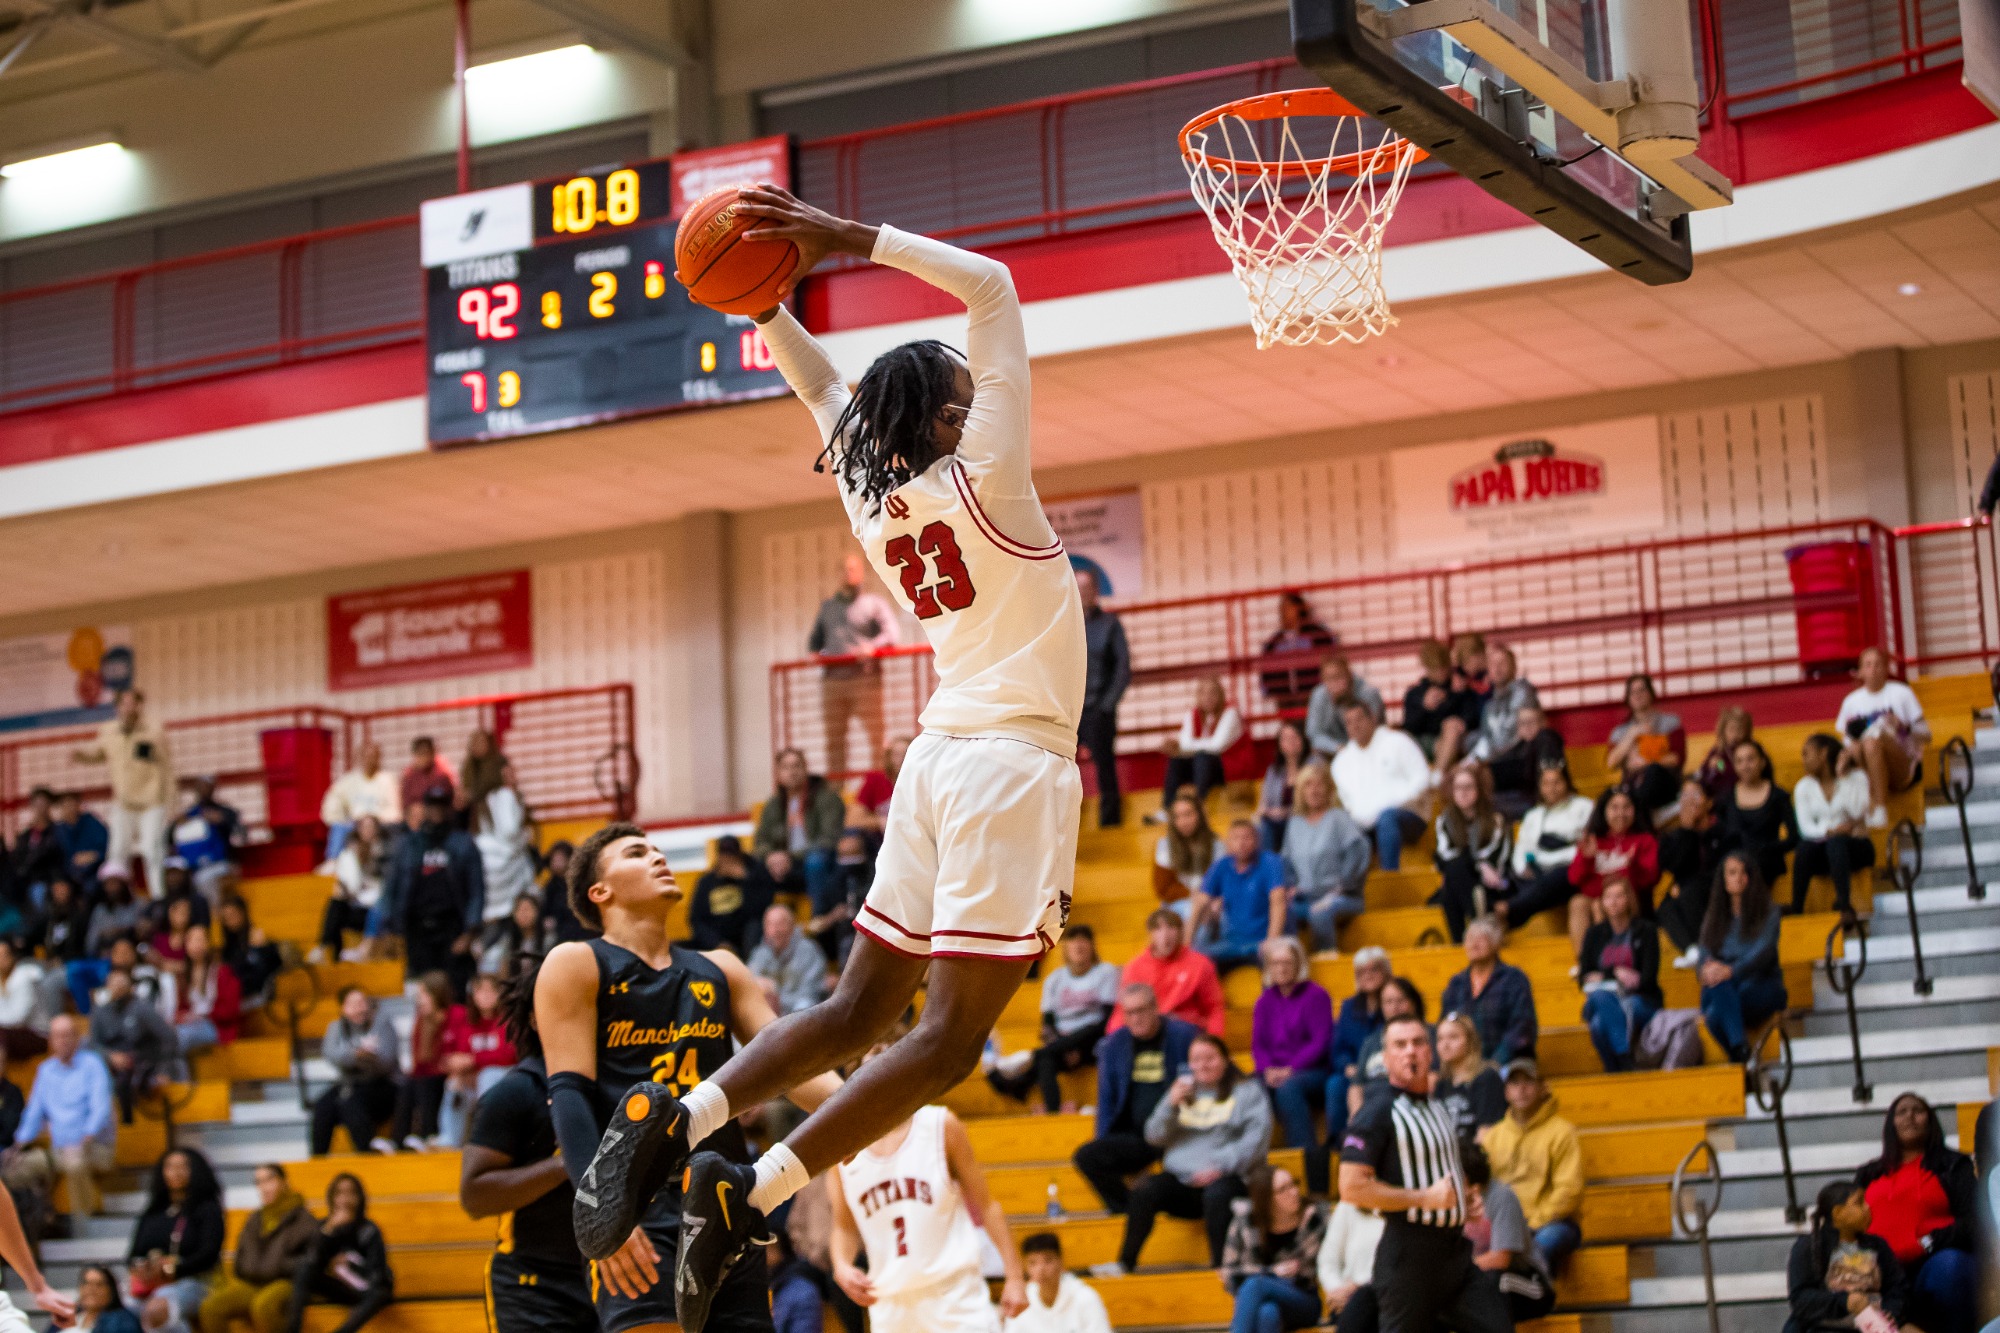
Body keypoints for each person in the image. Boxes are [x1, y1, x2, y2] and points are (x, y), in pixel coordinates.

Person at [622, 198, 1102, 1324]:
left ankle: (681, 1121)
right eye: (968, 394)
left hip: (934, 758)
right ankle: (753, 1189)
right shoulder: (990, 475)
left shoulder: (870, 497)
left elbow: (820, 392)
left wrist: (767, 305)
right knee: (943, 1041)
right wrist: (841, 238)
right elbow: (989, 283)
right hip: (1009, 761)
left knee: (849, 1011)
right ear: (947, 414)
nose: (984, 397)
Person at [534, 822, 845, 1329]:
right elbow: (568, 1098)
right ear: (600, 891)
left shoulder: (720, 967)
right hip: (640, 1204)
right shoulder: (576, 963)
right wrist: (604, 1216)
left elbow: (788, 1066)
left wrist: (865, 1107)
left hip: (726, 1202)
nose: (657, 857)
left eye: (658, 850)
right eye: (637, 853)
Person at [827, 1040, 1026, 1332]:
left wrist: (1015, 1276)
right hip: (890, 1303)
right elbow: (843, 1227)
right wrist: (841, 1266)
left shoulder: (940, 1125)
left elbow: (987, 1205)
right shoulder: (843, 1150)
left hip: (954, 1296)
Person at [1337, 1014, 1509, 1333]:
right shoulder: (1375, 1112)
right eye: (1399, 1045)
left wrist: (1461, 1204)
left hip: (1455, 1256)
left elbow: (1439, 1169)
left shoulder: (1438, 1106)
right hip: (1408, 1261)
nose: (1410, 1052)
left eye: (1417, 1043)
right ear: (1386, 1058)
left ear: (1430, 1053)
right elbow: (1351, 1187)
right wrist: (1424, 1199)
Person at [460, 964, 595, 1333]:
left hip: (608, 1275)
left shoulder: (614, 1088)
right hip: (533, 1284)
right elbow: (474, 1195)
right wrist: (571, 1161)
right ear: (537, 1018)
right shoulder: (514, 1093)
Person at [1100, 1033, 1269, 1277]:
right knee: (1144, 1189)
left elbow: (1256, 1140)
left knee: (1217, 1193)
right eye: (1196, 1059)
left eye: (1210, 1058)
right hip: (1182, 1182)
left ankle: (1220, 1268)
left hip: (1228, 1179)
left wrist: (1220, 1167)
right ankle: (1125, 1263)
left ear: (1225, 1060)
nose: (1203, 1065)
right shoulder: (1180, 1091)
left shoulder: (1248, 1091)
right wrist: (1169, 1104)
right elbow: (1153, 1136)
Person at [1858, 1093, 1980, 1333]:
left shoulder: (1953, 1166)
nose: (1910, 1117)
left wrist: (1927, 1242)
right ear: (1891, 1123)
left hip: (1928, 1267)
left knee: (1952, 1268)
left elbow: (1974, 1222)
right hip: (1877, 1274)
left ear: (1930, 1120)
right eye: (1901, 1112)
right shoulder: (1868, 1173)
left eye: (1918, 1111)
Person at [1073, 983, 1198, 1214]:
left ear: (1155, 1007)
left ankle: (1147, 1207)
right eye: (1129, 1013)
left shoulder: (1185, 1036)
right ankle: (1130, 1210)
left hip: (1178, 1131)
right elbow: (1107, 1101)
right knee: (1087, 1156)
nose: (1136, 1018)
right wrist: (1103, 1141)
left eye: (1141, 1010)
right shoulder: (1114, 1045)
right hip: (1135, 1137)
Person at [989, 927, 1117, 1115]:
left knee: (1046, 1053)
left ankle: (1021, 1084)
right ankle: (1053, 1113)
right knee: (1046, 1059)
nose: (1079, 945)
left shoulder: (1106, 972)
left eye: (1084, 940)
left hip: (1094, 1042)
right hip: (1062, 1044)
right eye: (1073, 940)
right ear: (1065, 948)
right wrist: (1064, 1046)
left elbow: (1106, 1021)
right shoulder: (1054, 979)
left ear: (1092, 946)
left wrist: (1071, 1046)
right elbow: (1047, 1023)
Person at [4, 1012, 114, 1228]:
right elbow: (34, 1113)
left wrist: (84, 1140)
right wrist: (17, 1146)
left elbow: (100, 1109)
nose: (63, 1040)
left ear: (77, 1038)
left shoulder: (93, 1064)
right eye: (58, 1036)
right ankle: (39, 1224)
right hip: (59, 1150)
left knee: (74, 1163)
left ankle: (87, 1228)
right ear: (51, 1041)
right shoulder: (46, 1070)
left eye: (68, 1035)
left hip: (95, 1147)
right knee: (12, 1171)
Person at [1480, 1060, 1583, 1273]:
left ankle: (1537, 1298)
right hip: (1506, 1224)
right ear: (1506, 1092)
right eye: (1515, 1083)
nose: (1522, 1089)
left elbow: (1570, 1191)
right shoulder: (1493, 1137)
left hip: (1552, 1223)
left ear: (1542, 1088)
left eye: (1529, 1081)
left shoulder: (1563, 1132)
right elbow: (1483, 1187)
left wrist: (1534, 1221)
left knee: (1539, 1247)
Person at [382, 785, 485, 992]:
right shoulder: (408, 844)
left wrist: (470, 932)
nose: (437, 811)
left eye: (442, 806)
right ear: (425, 809)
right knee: (423, 993)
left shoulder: (464, 843)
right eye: (432, 806)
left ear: (448, 809)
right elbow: (391, 887)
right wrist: (390, 928)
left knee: (455, 990)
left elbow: (477, 890)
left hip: (452, 928)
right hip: (417, 929)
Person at [809, 552, 902, 778]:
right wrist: (822, 655)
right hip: (833, 682)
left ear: (862, 573)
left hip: (865, 680)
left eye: (853, 569)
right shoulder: (827, 607)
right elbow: (814, 643)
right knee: (834, 740)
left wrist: (872, 647)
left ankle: (879, 784)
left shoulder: (874, 604)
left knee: (876, 737)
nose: (848, 573)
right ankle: (837, 789)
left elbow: (892, 634)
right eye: (845, 569)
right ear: (838, 573)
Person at [73, 689, 174, 896]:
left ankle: (159, 898)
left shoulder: (154, 731)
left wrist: (172, 804)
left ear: (139, 705)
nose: (128, 708)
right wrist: (80, 755)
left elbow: (167, 769)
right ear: (117, 707)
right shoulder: (107, 731)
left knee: (152, 851)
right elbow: (98, 753)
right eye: (124, 703)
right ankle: (121, 899)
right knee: (117, 852)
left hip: (152, 804)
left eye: (132, 703)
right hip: (123, 804)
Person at [199, 1163, 318, 1333]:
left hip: (286, 1282)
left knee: (263, 1306)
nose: (264, 1187)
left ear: (284, 1182)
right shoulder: (254, 1219)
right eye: (259, 1182)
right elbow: (240, 1259)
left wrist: (277, 1266)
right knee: (211, 1308)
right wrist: (256, 1268)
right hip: (253, 1282)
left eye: (269, 1179)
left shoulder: (303, 1218)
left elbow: (310, 1260)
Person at [1695, 850, 1787, 1062]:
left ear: (1751, 878)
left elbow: (1763, 954)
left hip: (1760, 985)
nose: (1738, 877)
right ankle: (1741, 1049)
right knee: (1716, 994)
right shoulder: (1714, 916)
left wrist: (1731, 971)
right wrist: (1706, 970)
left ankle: (1739, 1058)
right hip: (1724, 990)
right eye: (1732, 872)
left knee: (1715, 1016)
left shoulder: (1769, 913)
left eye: (1744, 872)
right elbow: (1704, 955)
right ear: (1723, 879)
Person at [1784, 1178, 1909, 1333]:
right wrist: (1845, 1302)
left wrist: (1891, 1312)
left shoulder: (1877, 1246)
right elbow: (1801, 1298)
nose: (1867, 1207)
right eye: (1859, 1203)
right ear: (1837, 1213)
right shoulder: (1809, 1246)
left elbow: (1897, 1287)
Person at [1220, 1163, 1326, 1333]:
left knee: (1256, 1285)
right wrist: (1271, 1272)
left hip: (1304, 1301)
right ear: (1266, 1199)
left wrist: (1265, 1278)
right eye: (1283, 1189)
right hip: (1262, 1303)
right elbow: (1228, 1275)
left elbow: (1307, 1276)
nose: (1294, 1192)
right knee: (1267, 1313)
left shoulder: (1314, 1219)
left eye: (1293, 1184)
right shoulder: (1245, 1221)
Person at [279, 1174, 393, 1333]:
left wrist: (351, 1264)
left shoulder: (369, 1229)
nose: (345, 1199)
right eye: (339, 1193)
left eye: (351, 1193)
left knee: (382, 1292)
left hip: (366, 1291)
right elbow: (312, 1262)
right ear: (332, 1198)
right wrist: (329, 1230)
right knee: (303, 1268)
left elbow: (378, 1275)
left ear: (359, 1198)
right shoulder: (325, 1227)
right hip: (340, 1288)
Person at [1252, 937, 1333, 1159]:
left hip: (1312, 1071)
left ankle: (1306, 1157)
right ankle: (1255, 1159)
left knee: (1288, 1088)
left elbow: (1321, 1041)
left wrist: (1291, 1069)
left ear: (1298, 965)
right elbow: (1258, 1045)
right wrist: (1267, 1069)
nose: (1281, 968)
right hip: (1275, 1071)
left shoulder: (1316, 995)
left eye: (1287, 962)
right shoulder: (1264, 1000)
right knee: (1248, 1089)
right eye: (1276, 963)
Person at [1328, 701, 1432, 871]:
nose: (1354, 726)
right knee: (1339, 827)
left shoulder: (1399, 741)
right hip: (1366, 825)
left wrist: (1391, 805)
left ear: (1372, 719)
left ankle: (1389, 879)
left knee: (1387, 817)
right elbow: (1348, 803)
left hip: (1409, 816)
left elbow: (1422, 779)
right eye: (1349, 722)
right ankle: (1347, 890)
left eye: (1359, 719)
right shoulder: (1340, 762)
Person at [1460, 1143, 1556, 1325]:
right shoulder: (1449, 1202)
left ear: (1465, 1177)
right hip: (1481, 1280)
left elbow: (1500, 1259)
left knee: (1494, 1281)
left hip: (1532, 1285)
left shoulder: (1502, 1197)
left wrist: (1456, 1269)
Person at [1837, 646, 1932, 829]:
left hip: (1902, 766)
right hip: (1867, 764)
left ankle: (1879, 808)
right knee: (1859, 746)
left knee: (1872, 743)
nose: (1873, 669)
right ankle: (1868, 806)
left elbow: (1926, 736)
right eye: (1868, 664)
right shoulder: (1851, 702)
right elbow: (1846, 741)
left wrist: (1903, 727)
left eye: (1878, 664)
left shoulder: (1902, 693)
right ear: (1861, 671)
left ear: (1886, 669)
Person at [129, 1148, 226, 1322]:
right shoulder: (153, 1211)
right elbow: (132, 1254)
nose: (176, 1172)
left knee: (158, 1307)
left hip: (196, 1281)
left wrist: (171, 1269)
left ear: (196, 1170)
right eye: (170, 1167)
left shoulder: (207, 1209)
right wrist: (142, 1267)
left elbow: (209, 1255)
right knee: (121, 1309)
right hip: (150, 1282)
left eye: (183, 1167)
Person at [1577, 875, 1662, 1073]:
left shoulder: (1646, 931)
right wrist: (1615, 973)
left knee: (1599, 1023)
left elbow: (1648, 980)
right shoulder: (1594, 934)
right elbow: (1584, 978)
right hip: (1605, 999)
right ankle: (1624, 1056)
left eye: (1619, 896)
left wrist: (1602, 976)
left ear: (1629, 899)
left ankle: (1615, 1069)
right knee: (1600, 997)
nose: (1613, 902)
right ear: (1602, 902)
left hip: (1640, 999)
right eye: (1608, 897)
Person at [1280, 764, 1369, 950]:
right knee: (1279, 913)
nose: (1314, 790)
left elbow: (1358, 852)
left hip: (1341, 895)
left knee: (1320, 913)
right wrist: (1290, 886)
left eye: (1319, 785)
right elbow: (1286, 862)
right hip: (1305, 896)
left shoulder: (1339, 818)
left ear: (1329, 789)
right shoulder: (1294, 824)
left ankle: (1327, 960)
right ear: (1301, 791)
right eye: (1308, 785)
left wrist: (1341, 888)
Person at [1565, 787, 1660, 958]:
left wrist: (1631, 868)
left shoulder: (1645, 840)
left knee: (1603, 903)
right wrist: (1588, 859)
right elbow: (1574, 879)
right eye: (1614, 807)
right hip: (1600, 898)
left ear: (1635, 810)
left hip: (1633, 901)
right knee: (1578, 902)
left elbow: (1649, 880)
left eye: (1626, 807)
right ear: (1604, 811)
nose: (1621, 813)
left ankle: (1611, 960)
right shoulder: (1593, 840)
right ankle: (1584, 962)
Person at [1500, 761, 1592, 933]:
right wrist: (1524, 867)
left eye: (1556, 782)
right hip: (1537, 873)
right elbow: (1522, 848)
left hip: (1569, 872)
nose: (1552, 788)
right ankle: (1508, 911)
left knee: (1559, 876)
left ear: (1566, 782)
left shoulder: (1584, 807)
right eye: (1546, 783)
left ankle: (1509, 911)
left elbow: (1582, 849)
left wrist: (1547, 858)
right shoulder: (1533, 815)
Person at [1793, 733, 1875, 923]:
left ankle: (1844, 906)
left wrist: (1841, 776)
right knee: (1805, 848)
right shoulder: (1803, 787)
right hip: (1824, 849)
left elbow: (1857, 812)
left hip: (1857, 846)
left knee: (1836, 844)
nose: (1803, 760)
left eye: (1807, 754)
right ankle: (1797, 910)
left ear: (1823, 753)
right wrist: (1831, 831)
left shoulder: (1857, 778)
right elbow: (1805, 828)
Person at [310, 988, 400, 1156]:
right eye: (354, 1004)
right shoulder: (336, 1027)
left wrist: (367, 1058)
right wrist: (355, 1056)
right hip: (351, 1084)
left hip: (382, 1084)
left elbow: (387, 1062)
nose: (360, 1008)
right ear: (343, 1008)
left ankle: (367, 1154)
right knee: (323, 1105)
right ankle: (318, 1159)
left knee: (350, 1102)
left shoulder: (382, 1024)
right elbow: (330, 1053)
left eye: (362, 1003)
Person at [752, 749, 846, 910]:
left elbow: (829, 839)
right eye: (786, 767)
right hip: (784, 865)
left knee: (815, 862)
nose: (792, 772)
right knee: (752, 869)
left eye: (796, 766)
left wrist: (790, 856)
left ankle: (821, 924)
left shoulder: (826, 798)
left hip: (818, 861)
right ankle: (765, 928)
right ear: (778, 773)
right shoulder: (773, 805)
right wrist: (771, 856)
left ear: (805, 769)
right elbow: (760, 841)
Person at [1194, 820, 1290, 975]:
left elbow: (1278, 902)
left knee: (1278, 960)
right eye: (1236, 838)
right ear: (1227, 843)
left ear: (1257, 841)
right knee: (1198, 961)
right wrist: (1185, 946)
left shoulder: (1270, 861)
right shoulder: (1221, 865)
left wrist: (1272, 941)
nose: (1241, 843)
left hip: (1262, 941)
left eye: (1247, 838)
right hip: (1230, 942)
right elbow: (1200, 904)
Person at [1112, 908, 1225, 1037]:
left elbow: (1214, 1007)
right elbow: (1122, 1010)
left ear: (1181, 932)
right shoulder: (1135, 967)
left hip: (1187, 1032)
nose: (1165, 935)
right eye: (1158, 929)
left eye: (1171, 927)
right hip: (1147, 1033)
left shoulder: (1201, 964)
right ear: (1150, 934)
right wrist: (1114, 1039)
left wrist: (1214, 1040)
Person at [1439, 919, 1537, 1067]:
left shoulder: (1514, 979)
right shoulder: (1456, 983)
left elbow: (1522, 1027)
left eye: (1481, 938)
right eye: (1470, 939)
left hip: (1508, 1063)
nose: (1474, 944)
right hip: (1463, 1064)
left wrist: (1495, 1063)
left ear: (1496, 943)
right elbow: (1445, 1024)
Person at [1076, 567, 1131, 829]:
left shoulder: (1111, 624)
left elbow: (1123, 668)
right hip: (1069, 711)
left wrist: (1106, 706)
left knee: (1105, 768)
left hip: (1100, 709)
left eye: (1086, 589)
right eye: (1077, 589)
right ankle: (1068, 825)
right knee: (1059, 768)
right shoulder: (1063, 623)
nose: (1082, 594)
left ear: (1095, 592)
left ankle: (1111, 825)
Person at [1433, 766, 1513, 943]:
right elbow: (1444, 856)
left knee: (1454, 880)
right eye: (1458, 788)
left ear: (1479, 789)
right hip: (1464, 881)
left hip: (1494, 883)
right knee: (1455, 873)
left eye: (1468, 787)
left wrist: (1480, 865)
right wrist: (1479, 864)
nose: (1463, 793)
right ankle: (1477, 927)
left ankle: (1462, 941)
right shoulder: (1444, 820)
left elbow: (1497, 856)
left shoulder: (1496, 819)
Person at [1322, 948, 1390, 1146]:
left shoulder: (1393, 1002)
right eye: (1362, 972)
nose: (1367, 975)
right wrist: (1347, 1065)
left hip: (1384, 1069)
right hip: (1353, 1072)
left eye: (1374, 969)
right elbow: (1338, 1047)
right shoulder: (1349, 1007)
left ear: (1386, 971)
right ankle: (1338, 1142)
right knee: (1335, 1083)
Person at [91, 966, 177, 1121]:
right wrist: (110, 1057)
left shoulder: (142, 1009)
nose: (118, 988)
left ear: (131, 987)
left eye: (122, 984)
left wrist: (163, 1070)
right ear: (107, 986)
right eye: (114, 983)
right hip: (110, 1067)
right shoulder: (100, 1012)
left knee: (136, 1084)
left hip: (142, 1063)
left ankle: (131, 1126)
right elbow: (92, 1044)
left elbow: (168, 1037)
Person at [1716, 739, 1799, 891]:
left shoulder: (1778, 796)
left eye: (1750, 759)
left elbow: (1793, 838)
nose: (1745, 766)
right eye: (1739, 761)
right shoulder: (1725, 799)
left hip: (1765, 863)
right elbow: (1721, 836)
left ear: (1762, 762)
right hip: (1733, 864)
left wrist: (1767, 849)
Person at [1338, 978, 1426, 1121]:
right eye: (1388, 1002)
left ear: (1413, 1002)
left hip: (1410, 1111)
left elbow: (1434, 1077)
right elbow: (1356, 1086)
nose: (1394, 1007)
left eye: (1400, 1000)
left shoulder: (1426, 1035)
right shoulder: (1371, 1041)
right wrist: (1357, 1116)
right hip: (1371, 1112)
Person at [1158, 677, 1244, 815]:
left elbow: (1217, 746)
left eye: (1212, 693)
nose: (1207, 697)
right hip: (1199, 769)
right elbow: (1185, 744)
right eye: (1203, 693)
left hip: (1227, 769)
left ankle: (1197, 807)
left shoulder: (1230, 714)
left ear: (1221, 695)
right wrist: (1183, 748)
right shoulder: (1192, 715)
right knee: (1176, 759)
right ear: (1197, 696)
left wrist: (1187, 746)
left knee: (1202, 757)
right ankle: (1168, 809)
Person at [1656, 780, 1719, 967]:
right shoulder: (1673, 836)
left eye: (1696, 796)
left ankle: (1706, 948)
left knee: (1689, 891)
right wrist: (1686, 831)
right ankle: (1691, 949)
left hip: (1714, 887)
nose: (1690, 802)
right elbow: (1673, 866)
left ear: (1709, 802)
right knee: (1665, 907)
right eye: (1684, 797)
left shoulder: (1722, 830)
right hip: (1686, 892)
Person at [1606, 673, 1685, 815]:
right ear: (1628, 698)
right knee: (1609, 796)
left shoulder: (1671, 723)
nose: (1637, 695)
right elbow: (1611, 763)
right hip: (1633, 786)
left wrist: (1645, 762)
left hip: (1665, 782)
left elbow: (1677, 759)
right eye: (1632, 692)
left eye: (1642, 690)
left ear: (1651, 693)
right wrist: (1632, 735)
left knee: (1653, 771)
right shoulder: (1620, 731)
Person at [473, 760, 538, 928]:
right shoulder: (505, 795)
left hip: (489, 865)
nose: (513, 777)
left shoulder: (485, 799)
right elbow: (510, 832)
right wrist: (526, 835)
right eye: (507, 774)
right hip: (507, 864)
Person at [1400, 640, 1479, 775]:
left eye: (1443, 668)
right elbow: (1409, 727)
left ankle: (1436, 780)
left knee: (1452, 726)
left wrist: (1457, 695)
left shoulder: (1459, 686)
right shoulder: (1415, 693)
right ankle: (1439, 779)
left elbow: (1472, 716)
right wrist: (1424, 707)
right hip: (1427, 741)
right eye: (1435, 669)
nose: (1441, 673)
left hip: (1456, 737)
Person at [688, 836, 775, 957]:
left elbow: (761, 910)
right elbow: (696, 920)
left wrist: (745, 880)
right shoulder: (706, 882)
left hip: (745, 939)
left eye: (732, 855)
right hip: (715, 942)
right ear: (718, 856)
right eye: (724, 855)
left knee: (754, 927)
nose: (728, 859)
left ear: (739, 855)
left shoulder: (755, 875)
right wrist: (717, 943)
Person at [1006, 1233, 1111, 1333]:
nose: (1040, 1269)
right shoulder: (1021, 1300)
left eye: (1048, 1261)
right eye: (1033, 1263)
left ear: (1060, 1262)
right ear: (1025, 1267)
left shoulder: (1086, 1298)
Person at [317, 815, 387, 964]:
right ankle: (331, 953)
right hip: (358, 903)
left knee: (378, 905)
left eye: (371, 827)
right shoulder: (351, 852)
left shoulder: (384, 851)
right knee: (336, 902)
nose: (368, 831)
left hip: (377, 907)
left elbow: (384, 882)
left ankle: (360, 949)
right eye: (364, 827)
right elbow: (350, 883)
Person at [318, 743, 400, 864]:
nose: (369, 760)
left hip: (380, 824)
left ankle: (395, 862)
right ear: (359, 758)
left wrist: (373, 819)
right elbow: (332, 803)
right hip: (354, 824)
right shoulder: (348, 781)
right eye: (365, 757)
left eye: (373, 756)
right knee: (339, 828)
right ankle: (332, 862)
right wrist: (340, 819)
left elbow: (394, 811)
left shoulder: (388, 780)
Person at [1431, 1012, 1505, 1143]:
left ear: (1470, 1041)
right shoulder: (1441, 1084)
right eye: (1440, 1039)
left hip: (1477, 1158)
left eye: (1453, 1037)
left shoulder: (1487, 1077)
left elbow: (1487, 1133)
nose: (1445, 1044)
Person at [1258, 592, 1335, 715]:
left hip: (1312, 694)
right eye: (1281, 609)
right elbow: (1266, 669)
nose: (1283, 613)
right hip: (1285, 698)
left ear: (1299, 608)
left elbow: (1331, 660)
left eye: (1287, 608)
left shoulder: (1318, 635)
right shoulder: (1274, 642)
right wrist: (1271, 690)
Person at [1315, 1198, 1384, 1333]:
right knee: (1268, 1311)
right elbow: (1327, 1261)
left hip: (1387, 1298)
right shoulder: (1348, 1205)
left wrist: (1359, 1286)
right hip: (1348, 1304)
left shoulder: (1408, 1204)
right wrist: (1338, 1291)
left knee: (1364, 1296)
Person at [749, 904, 831, 1016]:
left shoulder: (808, 950)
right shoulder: (759, 954)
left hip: (799, 1014)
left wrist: (776, 995)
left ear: (792, 925)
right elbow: (749, 988)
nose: (775, 930)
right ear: (764, 929)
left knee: (804, 1005)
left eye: (780, 924)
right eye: (770, 924)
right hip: (768, 1015)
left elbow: (811, 994)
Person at [172, 926, 241, 1061]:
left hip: (215, 1026)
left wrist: (204, 1015)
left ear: (208, 943)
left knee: (181, 1037)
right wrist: (183, 1016)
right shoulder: (183, 975)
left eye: (201, 940)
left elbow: (231, 1009)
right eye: (192, 940)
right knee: (166, 1036)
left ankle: (178, 1079)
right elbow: (182, 1008)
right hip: (190, 1025)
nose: (197, 944)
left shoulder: (222, 972)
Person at [1485, 707, 1565, 820]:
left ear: (1543, 723)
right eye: (1523, 723)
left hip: (1540, 801)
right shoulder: (1516, 749)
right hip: (1518, 798)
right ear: (1518, 727)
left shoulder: (1547, 740)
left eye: (1531, 721)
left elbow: (1548, 781)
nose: (1527, 727)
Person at [170, 777, 241, 903]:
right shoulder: (189, 814)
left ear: (213, 788)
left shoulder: (224, 811)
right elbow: (169, 837)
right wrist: (176, 823)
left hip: (222, 863)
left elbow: (240, 831)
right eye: (200, 787)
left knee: (219, 882)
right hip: (196, 869)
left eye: (207, 787)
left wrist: (222, 820)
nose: (204, 790)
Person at [1468, 646, 1539, 768]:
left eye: (1503, 663)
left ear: (1514, 667)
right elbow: (1486, 742)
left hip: (1519, 760)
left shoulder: (1522, 691)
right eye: (1493, 664)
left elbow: (1518, 735)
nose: (1498, 668)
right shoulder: (1489, 705)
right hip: (1496, 763)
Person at [1154, 794, 1222, 922]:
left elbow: (1222, 880)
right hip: (1179, 902)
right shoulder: (1164, 845)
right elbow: (1164, 889)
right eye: (1177, 817)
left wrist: (1209, 898)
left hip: (1210, 899)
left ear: (1199, 816)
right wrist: (1192, 894)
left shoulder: (1216, 844)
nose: (1183, 821)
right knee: (1191, 911)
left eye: (1188, 814)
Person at [1305, 656, 1385, 761]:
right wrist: (1338, 748)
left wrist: (1352, 751)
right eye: (1329, 678)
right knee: (1313, 764)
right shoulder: (1319, 695)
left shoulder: (1368, 694)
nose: (1334, 682)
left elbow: (1372, 730)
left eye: (1338, 676)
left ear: (1349, 675)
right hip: (1333, 752)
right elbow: (1314, 734)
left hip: (1368, 748)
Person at [1257, 720, 1311, 853]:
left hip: (1305, 820)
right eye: (1286, 738)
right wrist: (1264, 811)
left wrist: (1286, 812)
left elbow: (1314, 803)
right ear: (1279, 744)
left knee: (1290, 823)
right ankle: (1268, 866)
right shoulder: (1274, 771)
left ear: (1303, 740)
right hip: (1277, 823)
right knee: (1263, 825)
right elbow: (1264, 802)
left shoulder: (1314, 766)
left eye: (1295, 737)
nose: (1291, 741)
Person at [218, 896, 282, 1004]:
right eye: (226, 918)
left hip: (256, 992)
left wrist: (261, 948)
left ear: (243, 913)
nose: (230, 921)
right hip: (235, 992)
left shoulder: (256, 937)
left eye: (233, 915)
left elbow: (271, 967)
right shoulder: (229, 944)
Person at [0, 938, 53, 1061]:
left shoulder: (25, 977)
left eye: (3, 955)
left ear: (12, 956)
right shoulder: (1, 980)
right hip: (12, 1034)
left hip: (38, 1034)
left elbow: (18, 1018)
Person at [849, 736, 910, 835]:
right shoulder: (875, 780)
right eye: (896, 754)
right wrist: (880, 822)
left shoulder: (923, 783)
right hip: (878, 839)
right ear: (888, 757)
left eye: (906, 754)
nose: (901, 759)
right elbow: (853, 819)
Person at [1693, 707, 1755, 804]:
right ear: (1723, 731)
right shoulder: (1719, 753)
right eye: (1731, 730)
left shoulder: (1752, 751)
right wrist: (1713, 768)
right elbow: (1712, 774)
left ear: (1746, 731)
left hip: (1745, 796)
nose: (1735, 735)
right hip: (1719, 798)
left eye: (1740, 730)